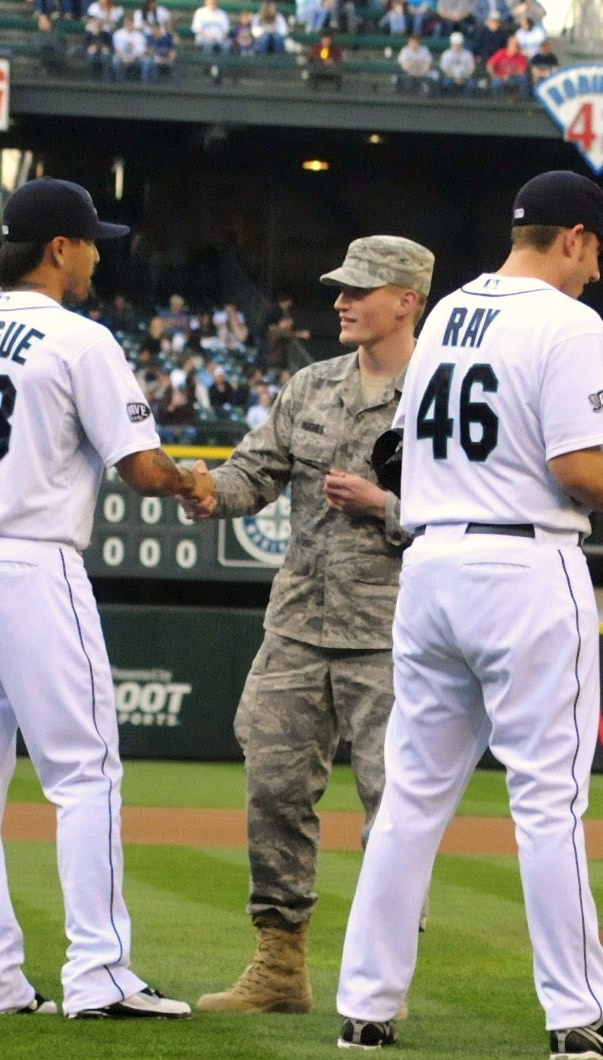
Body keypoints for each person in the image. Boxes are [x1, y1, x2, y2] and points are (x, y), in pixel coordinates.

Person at [332, 172, 603, 1059]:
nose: (596, 271)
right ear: (573, 237)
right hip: (522, 563)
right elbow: (577, 468)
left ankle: (365, 1007)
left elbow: (397, 450)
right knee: (549, 798)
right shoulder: (568, 321)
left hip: (432, 562)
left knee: (411, 797)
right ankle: (575, 1015)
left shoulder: (447, 312)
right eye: (596, 252)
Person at [0, 177, 208, 1019]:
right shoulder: (76, 337)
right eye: (92, 242)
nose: (99, 257)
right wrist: (190, 480)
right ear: (59, 248)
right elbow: (142, 470)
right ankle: (99, 973)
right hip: (29, 560)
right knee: (84, 770)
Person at [181, 237, 433, 1015]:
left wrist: (385, 506)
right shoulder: (312, 384)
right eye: (340, 288)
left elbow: (473, 514)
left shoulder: (442, 394)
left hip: (393, 632)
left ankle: (382, 979)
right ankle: (279, 968)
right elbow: (253, 471)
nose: (341, 301)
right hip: (297, 625)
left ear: (407, 301)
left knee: (397, 809)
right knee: (274, 789)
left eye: (360, 290)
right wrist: (206, 490)